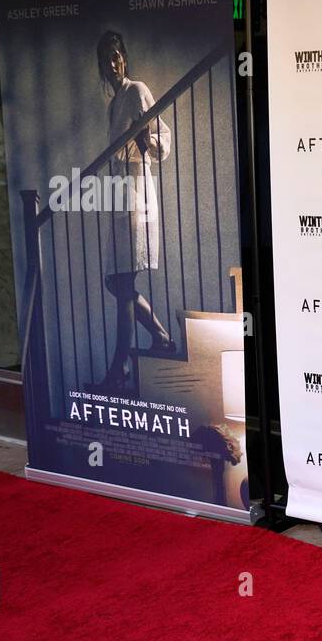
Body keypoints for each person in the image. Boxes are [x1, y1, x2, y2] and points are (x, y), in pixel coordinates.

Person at [94, 30, 175, 391]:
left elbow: (162, 141)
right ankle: (160, 336)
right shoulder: (114, 104)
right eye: (106, 59)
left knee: (123, 280)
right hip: (118, 193)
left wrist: (149, 141)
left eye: (116, 56)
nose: (112, 64)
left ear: (124, 57)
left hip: (137, 192)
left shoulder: (138, 89)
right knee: (117, 280)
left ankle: (118, 368)